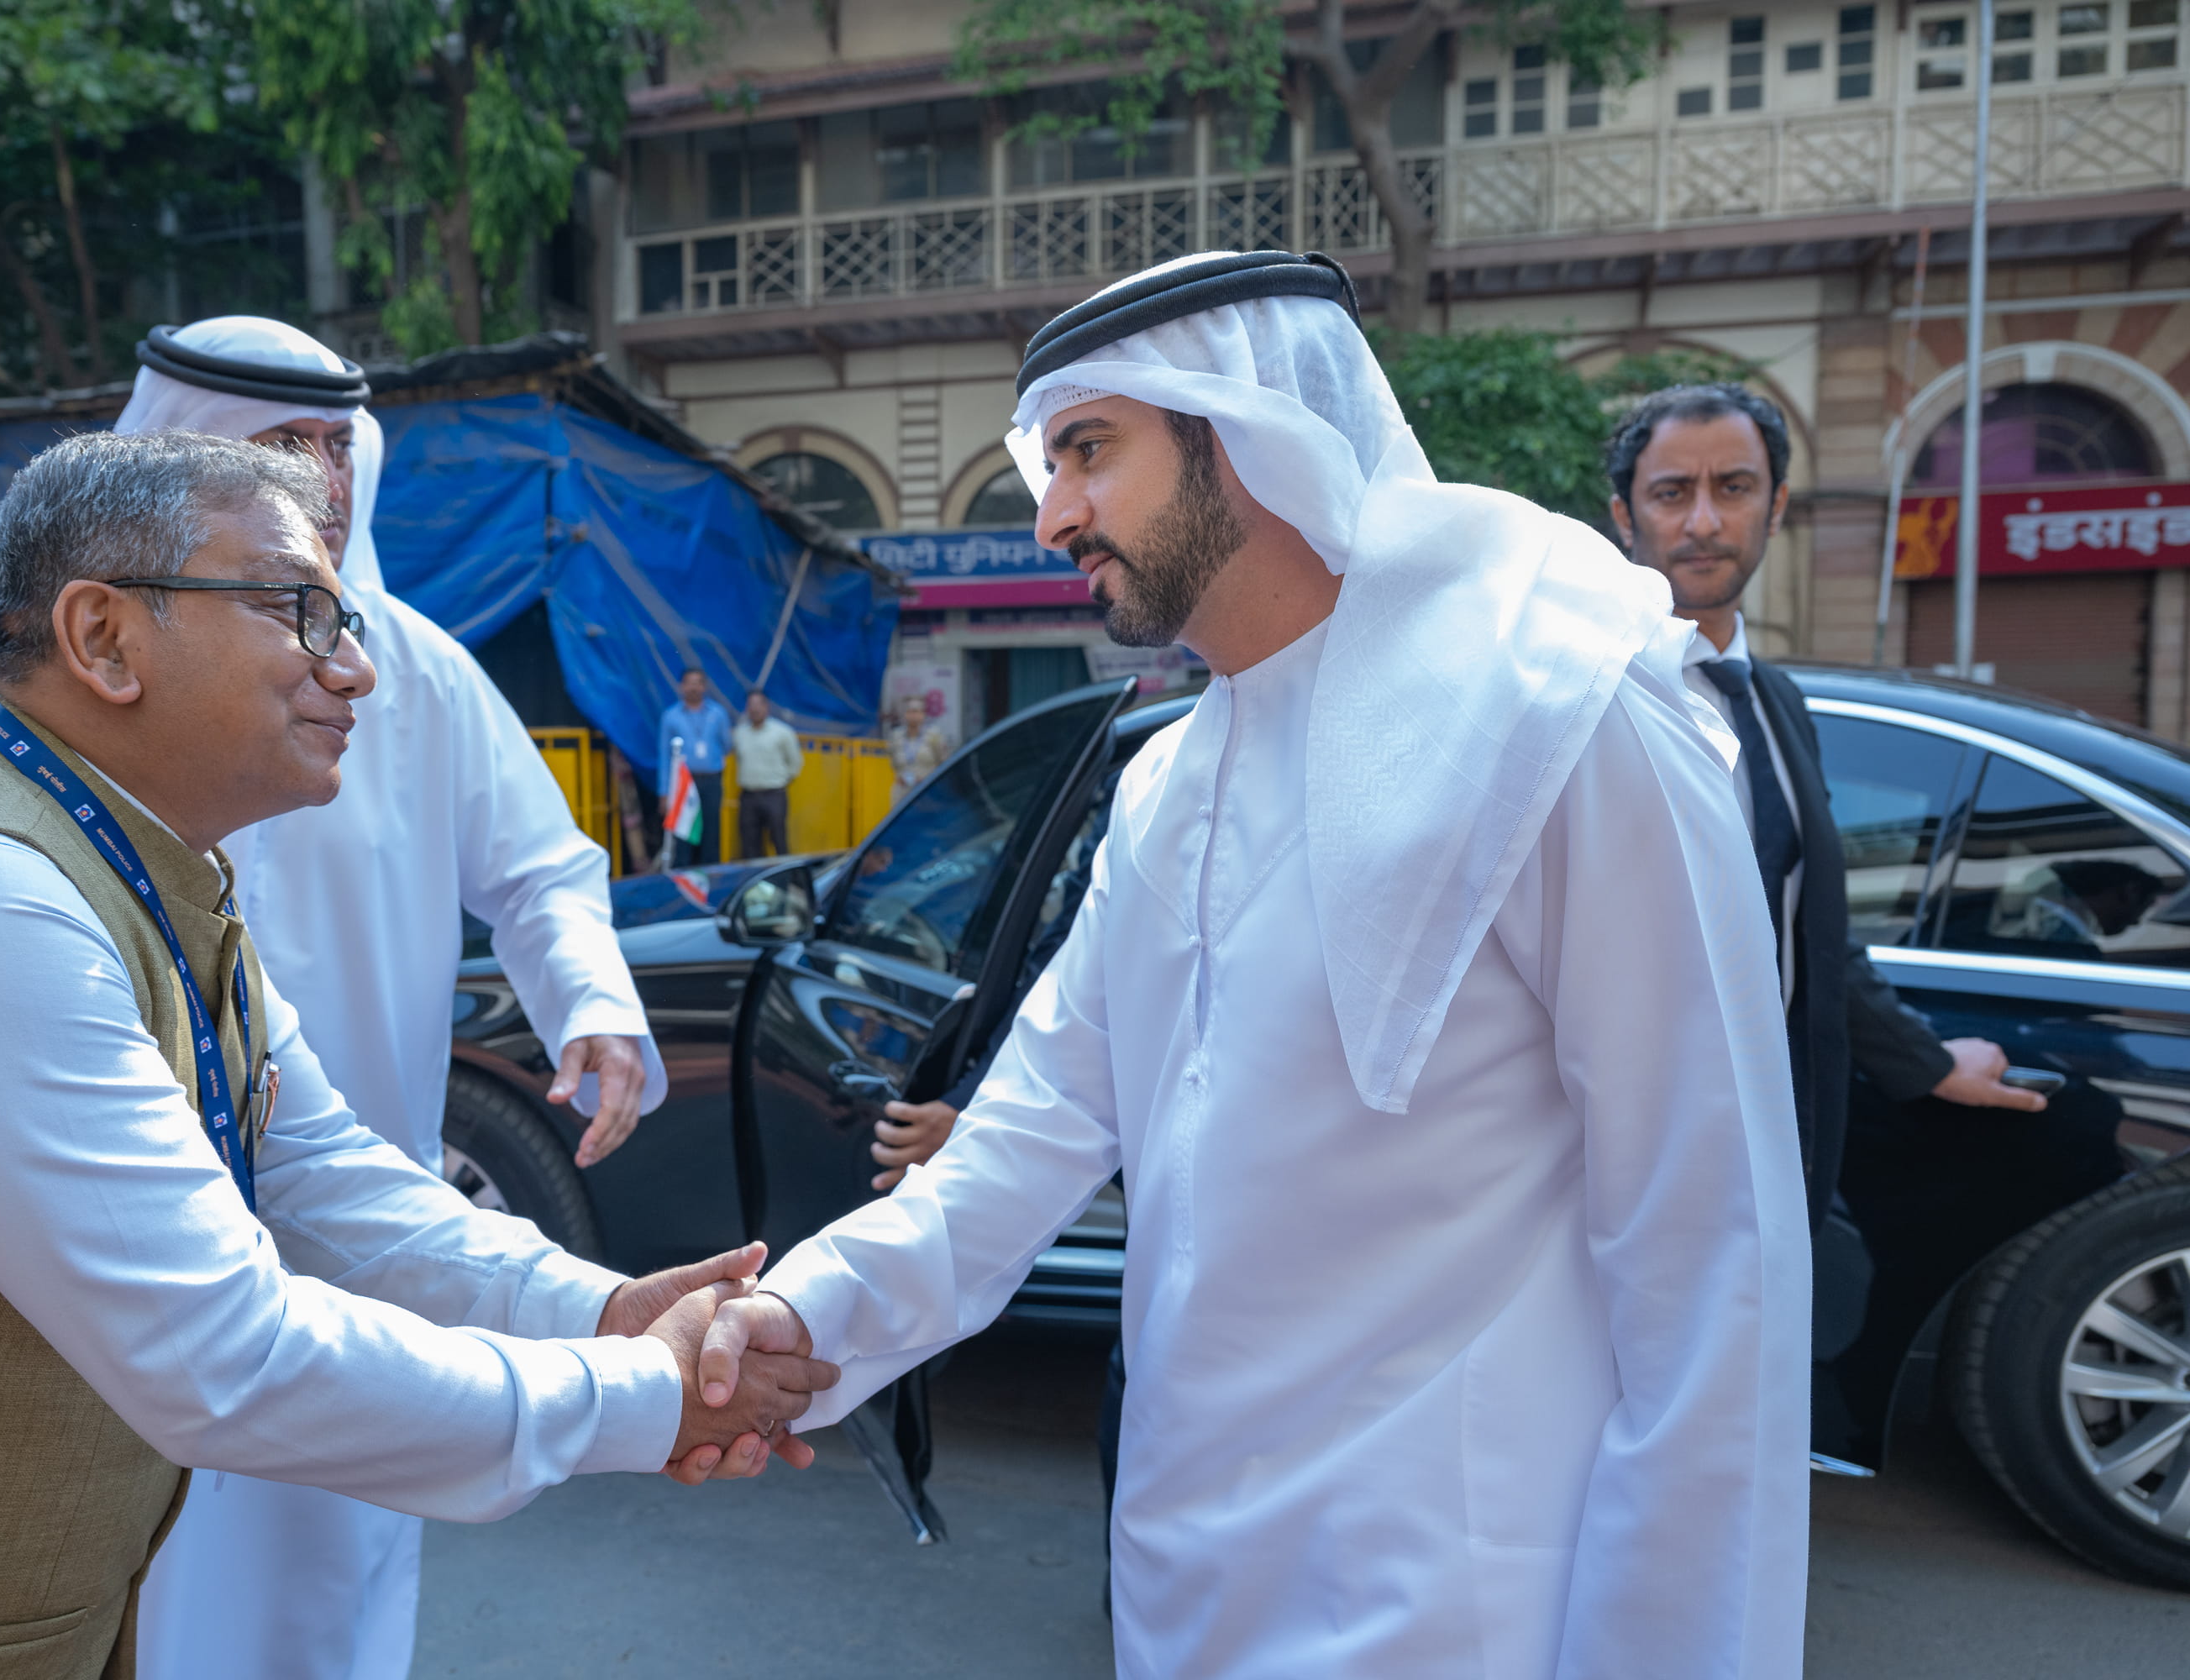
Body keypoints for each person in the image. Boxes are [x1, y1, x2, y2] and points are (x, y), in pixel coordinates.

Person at [690, 251, 1812, 1677]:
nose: (1054, 513)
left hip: (1463, 1604)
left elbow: (1712, 1262)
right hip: (1183, 1579)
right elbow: (1022, 1143)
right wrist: (799, 1322)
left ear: (1244, 426)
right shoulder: (1166, 787)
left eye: (1089, 450)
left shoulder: (1562, 718)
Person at [0, 429, 829, 1678]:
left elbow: (328, 1175)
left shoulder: (142, 872)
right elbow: (227, 1356)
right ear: (103, 637)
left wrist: (600, 1309)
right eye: (300, 612)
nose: (360, 674)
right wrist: (643, 1396)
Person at [0, 315, 673, 1680]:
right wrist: (640, 1384)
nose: (323, 481)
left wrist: (592, 1002)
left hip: (352, 1209)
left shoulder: (421, 670)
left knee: (327, 1592)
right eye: (282, 446)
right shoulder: (27, 708)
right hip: (111, 1227)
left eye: (339, 447)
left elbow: (540, 872)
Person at [1608, 383, 2048, 1234]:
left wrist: (1921, 1059)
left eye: (1733, 487)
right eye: (1672, 493)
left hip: (1773, 1135)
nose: (1702, 521)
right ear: (1625, 516)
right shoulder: (1587, 699)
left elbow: (1809, 924)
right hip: (1625, 1146)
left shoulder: (1776, 702)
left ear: (1774, 508)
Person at [656, 665, 730, 865]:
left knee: (711, 831)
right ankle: (682, 881)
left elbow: (726, 745)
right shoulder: (671, 716)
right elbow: (665, 756)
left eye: (698, 683)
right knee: (683, 832)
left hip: (712, 780)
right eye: (689, 683)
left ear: (705, 686)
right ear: (681, 687)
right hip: (683, 782)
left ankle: (713, 879)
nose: (694, 688)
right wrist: (664, 792)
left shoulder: (718, 714)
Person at [732, 686, 802, 859]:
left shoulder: (782, 732)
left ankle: (786, 881)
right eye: (751, 705)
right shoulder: (740, 733)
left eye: (758, 704)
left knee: (778, 840)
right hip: (748, 796)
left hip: (774, 795)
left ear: (767, 706)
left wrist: (782, 781)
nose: (755, 709)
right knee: (749, 844)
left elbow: (795, 763)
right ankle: (753, 882)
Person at [888, 693, 948, 790]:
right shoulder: (896, 736)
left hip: (926, 791)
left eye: (916, 712)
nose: (913, 715)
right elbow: (893, 762)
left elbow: (943, 762)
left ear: (923, 714)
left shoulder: (934, 736)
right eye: (909, 712)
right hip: (902, 790)